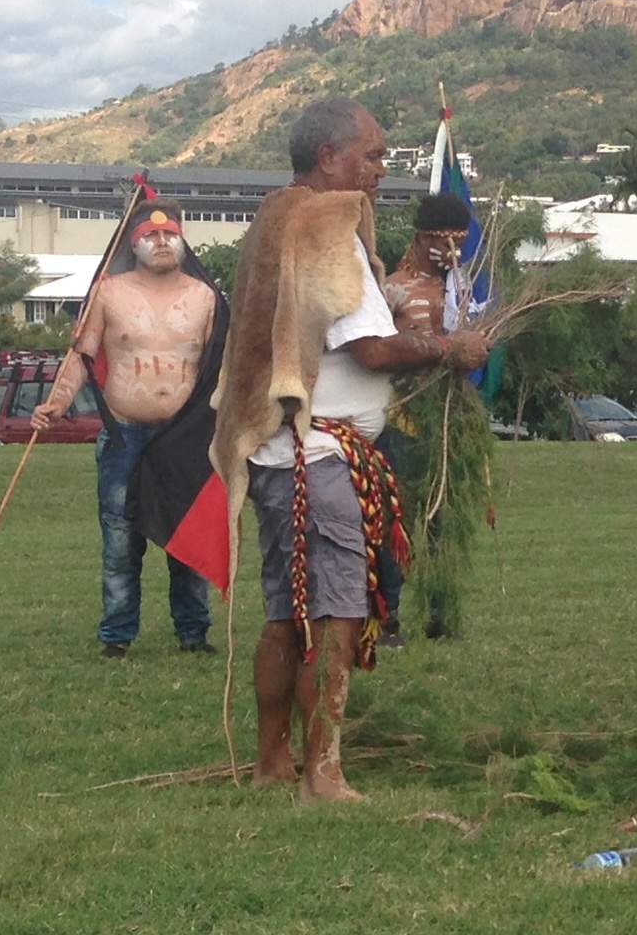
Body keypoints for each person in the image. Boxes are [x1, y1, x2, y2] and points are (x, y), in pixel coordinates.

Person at [209, 98, 487, 803]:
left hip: (278, 451)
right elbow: (371, 346)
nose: (381, 172)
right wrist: (452, 349)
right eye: (372, 155)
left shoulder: (274, 221)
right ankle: (322, 770)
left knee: (284, 611)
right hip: (322, 456)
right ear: (328, 158)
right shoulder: (329, 226)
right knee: (336, 612)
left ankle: (273, 760)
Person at [33, 200, 219, 657]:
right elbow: (81, 354)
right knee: (120, 540)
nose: (161, 241)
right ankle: (117, 636)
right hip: (124, 433)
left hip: (184, 438)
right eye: (150, 235)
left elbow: (222, 367)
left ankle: (193, 634)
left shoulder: (206, 297)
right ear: (133, 244)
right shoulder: (109, 293)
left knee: (186, 537)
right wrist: (57, 402)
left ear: (181, 240)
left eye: (169, 234)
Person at [377, 192, 475, 644]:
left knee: (444, 518)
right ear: (422, 238)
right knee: (399, 518)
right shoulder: (392, 289)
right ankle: (389, 615)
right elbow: (377, 352)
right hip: (403, 416)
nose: (452, 252)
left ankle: (441, 611)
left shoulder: (465, 291)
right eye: (444, 241)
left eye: (460, 241)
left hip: (452, 416)